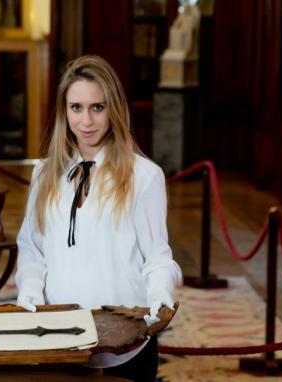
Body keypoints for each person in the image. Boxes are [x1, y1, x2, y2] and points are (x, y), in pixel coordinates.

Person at [15, 55, 182, 381]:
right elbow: (32, 249)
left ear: (114, 109)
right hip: (59, 336)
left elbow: (157, 255)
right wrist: (30, 293)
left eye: (98, 107)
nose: (86, 121)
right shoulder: (45, 173)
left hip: (126, 338)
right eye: (76, 107)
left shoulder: (144, 176)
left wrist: (160, 296)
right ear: (65, 111)